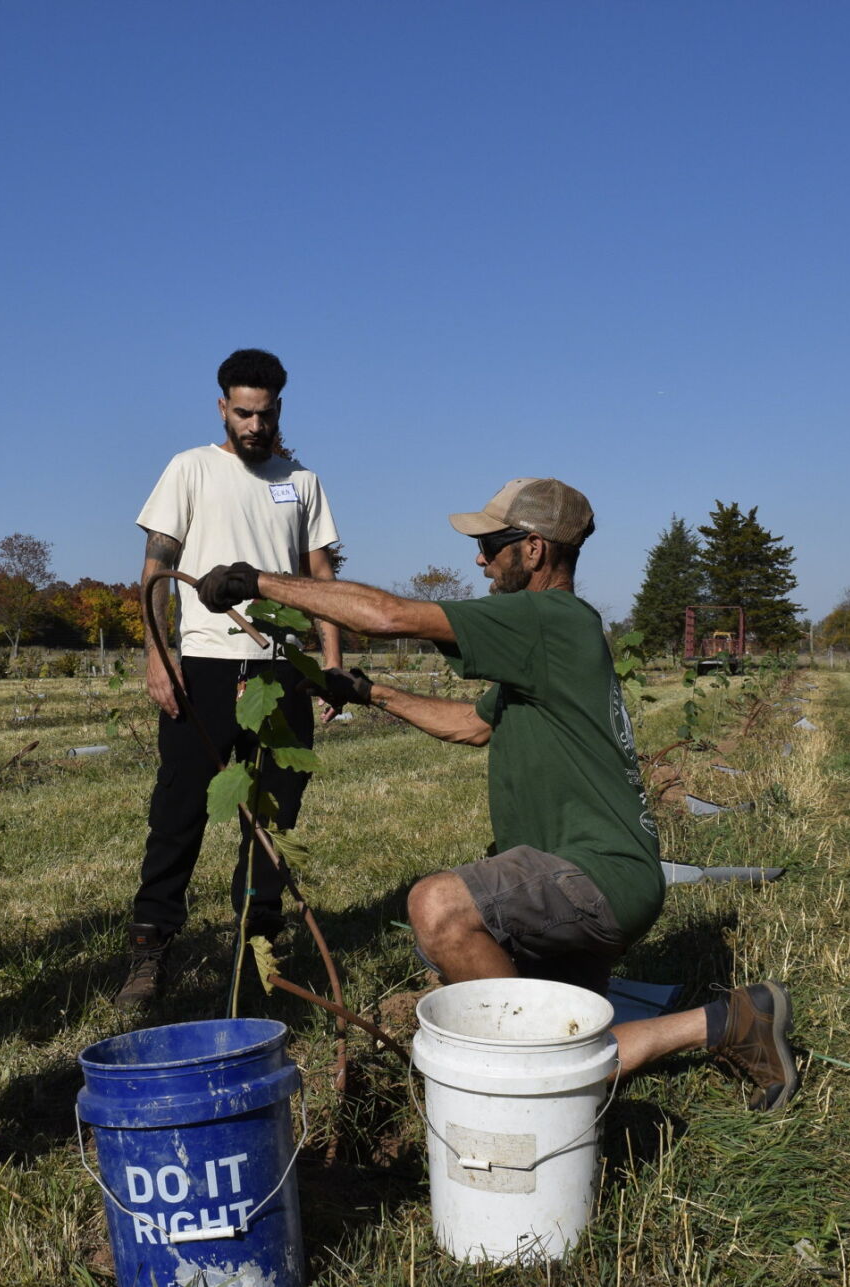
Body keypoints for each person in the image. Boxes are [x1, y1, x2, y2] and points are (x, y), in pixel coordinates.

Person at [194, 477, 800, 1111]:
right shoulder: (545, 643)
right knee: (510, 1025)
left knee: (439, 910)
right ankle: (726, 1024)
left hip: (595, 875)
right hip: (598, 876)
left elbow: (389, 616)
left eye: (490, 544)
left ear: (533, 550)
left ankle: (538, 1085)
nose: (479, 559)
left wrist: (256, 580)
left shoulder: (548, 618)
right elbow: (474, 724)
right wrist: (370, 693)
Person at [117, 348, 342, 1010]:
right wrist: (160, 657)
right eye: (242, 412)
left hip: (282, 670)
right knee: (179, 810)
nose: (253, 425)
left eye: (264, 413)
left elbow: (321, 580)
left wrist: (329, 662)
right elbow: (155, 570)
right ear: (222, 406)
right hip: (205, 667)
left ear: (278, 409)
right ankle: (149, 950)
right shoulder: (189, 469)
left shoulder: (301, 481)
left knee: (272, 816)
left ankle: (257, 949)